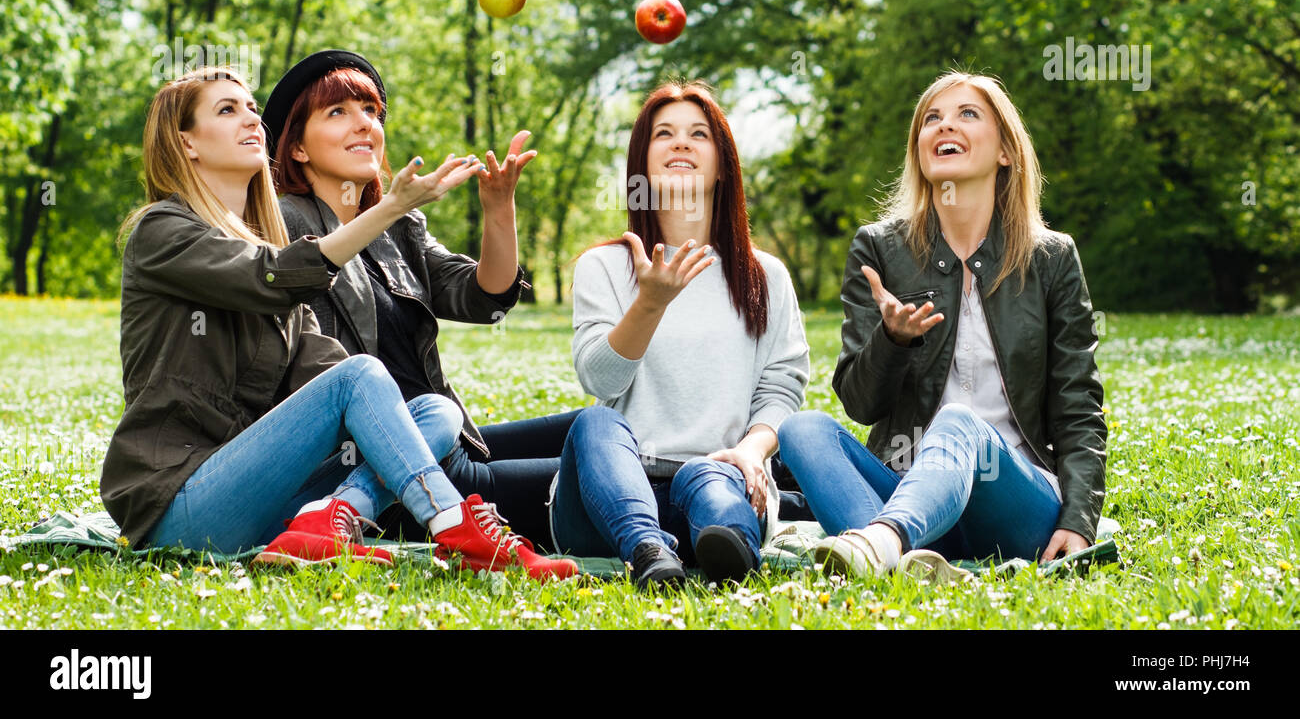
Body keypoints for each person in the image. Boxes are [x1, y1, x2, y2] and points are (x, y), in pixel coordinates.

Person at [99, 65, 577, 579]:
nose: (251, 121)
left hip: (263, 497)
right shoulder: (162, 231)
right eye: (227, 110)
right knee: (366, 376)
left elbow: (331, 367)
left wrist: (391, 417)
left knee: (435, 410)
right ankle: (457, 529)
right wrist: (391, 206)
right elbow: (275, 277)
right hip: (183, 504)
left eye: (252, 110)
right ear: (186, 143)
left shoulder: (266, 243)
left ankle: (326, 523)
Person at [777, 71, 1107, 581]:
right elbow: (862, 406)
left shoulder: (1051, 257)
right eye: (931, 119)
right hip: (910, 490)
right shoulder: (880, 248)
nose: (943, 126)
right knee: (802, 429)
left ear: (1006, 152)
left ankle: (878, 545)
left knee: (958, 422)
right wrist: (893, 340)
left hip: (1014, 502)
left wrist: (1080, 519)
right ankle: (906, 560)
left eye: (967, 115)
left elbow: (1078, 407)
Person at [260, 50, 577, 550]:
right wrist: (392, 206)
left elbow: (483, 298)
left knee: (594, 428)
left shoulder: (398, 229)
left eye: (371, 111)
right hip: (380, 463)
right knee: (600, 472)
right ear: (296, 148)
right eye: (338, 112)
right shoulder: (283, 224)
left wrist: (499, 209)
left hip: (438, 434)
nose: (364, 124)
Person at [550, 81, 810, 587]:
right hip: (611, 497)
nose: (681, 143)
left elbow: (782, 388)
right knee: (593, 426)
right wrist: (649, 304)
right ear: (641, 164)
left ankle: (731, 549)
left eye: (700, 134)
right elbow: (600, 380)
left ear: (723, 165)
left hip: (721, 480)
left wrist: (751, 452)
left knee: (704, 478)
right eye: (663, 133)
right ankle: (648, 550)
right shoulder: (604, 266)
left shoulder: (766, 276)